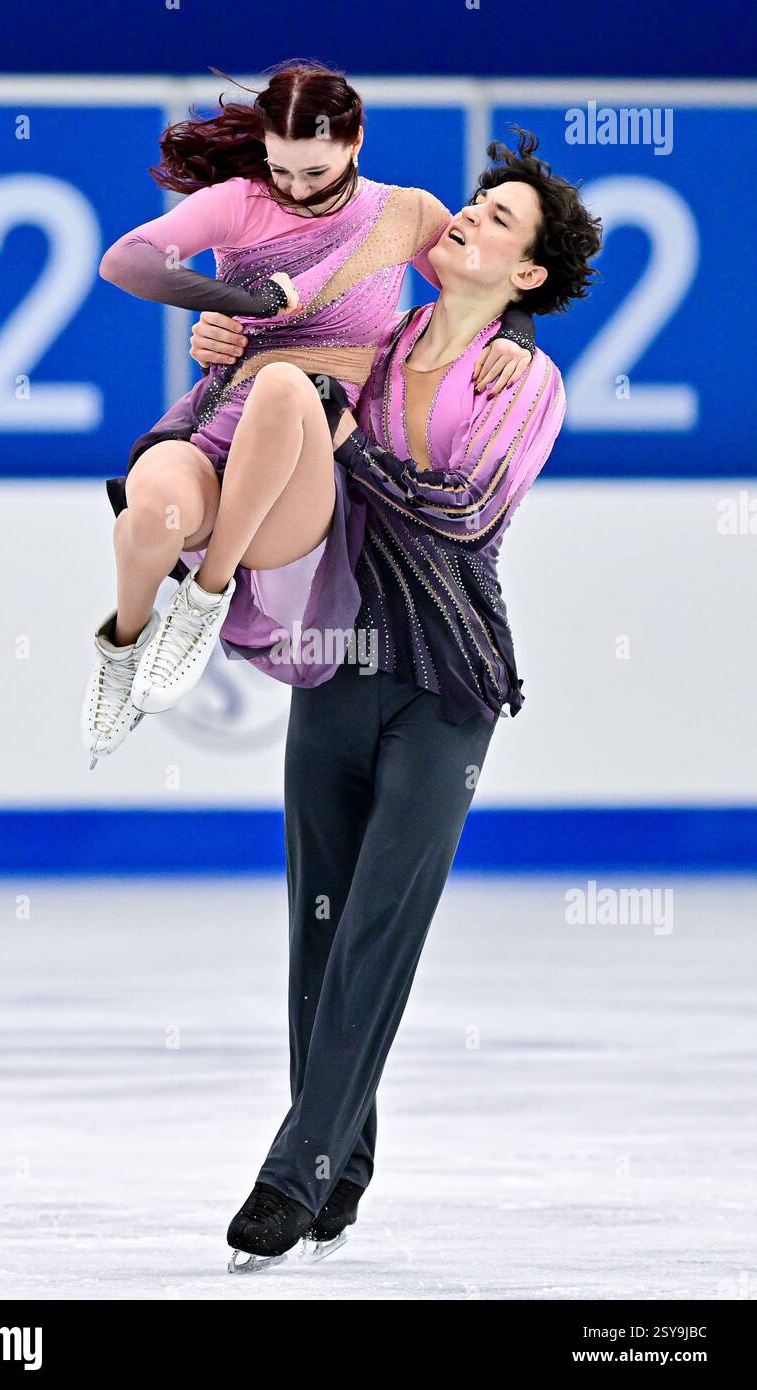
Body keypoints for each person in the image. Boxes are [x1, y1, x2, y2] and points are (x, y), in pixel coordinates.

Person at [190, 129, 603, 1272]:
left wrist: (340, 441)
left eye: (498, 220)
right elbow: (263, 387)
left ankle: (292, 1172)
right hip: (334, 654)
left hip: (445, 678)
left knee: (377, 922)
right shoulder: (379, 332)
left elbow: (465, 515)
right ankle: (343, 1170)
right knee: (313, 926)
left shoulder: (525, 379)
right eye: (472, 204)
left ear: (526, 276)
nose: (466, 218)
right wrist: (219, 335)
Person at [80, 61, 534, 768]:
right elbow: (124, 262)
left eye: (313, 172)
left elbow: (480, 288)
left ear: (355, 143)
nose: (294, 189)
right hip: (223, 419)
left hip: (299, 477)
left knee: (290, 382)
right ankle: (122, 646)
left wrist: (517, 333)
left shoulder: (406, 214)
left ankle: (206, 596)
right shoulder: (240, 201)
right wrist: (230, 304)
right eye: (280, 168)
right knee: (150, 509)